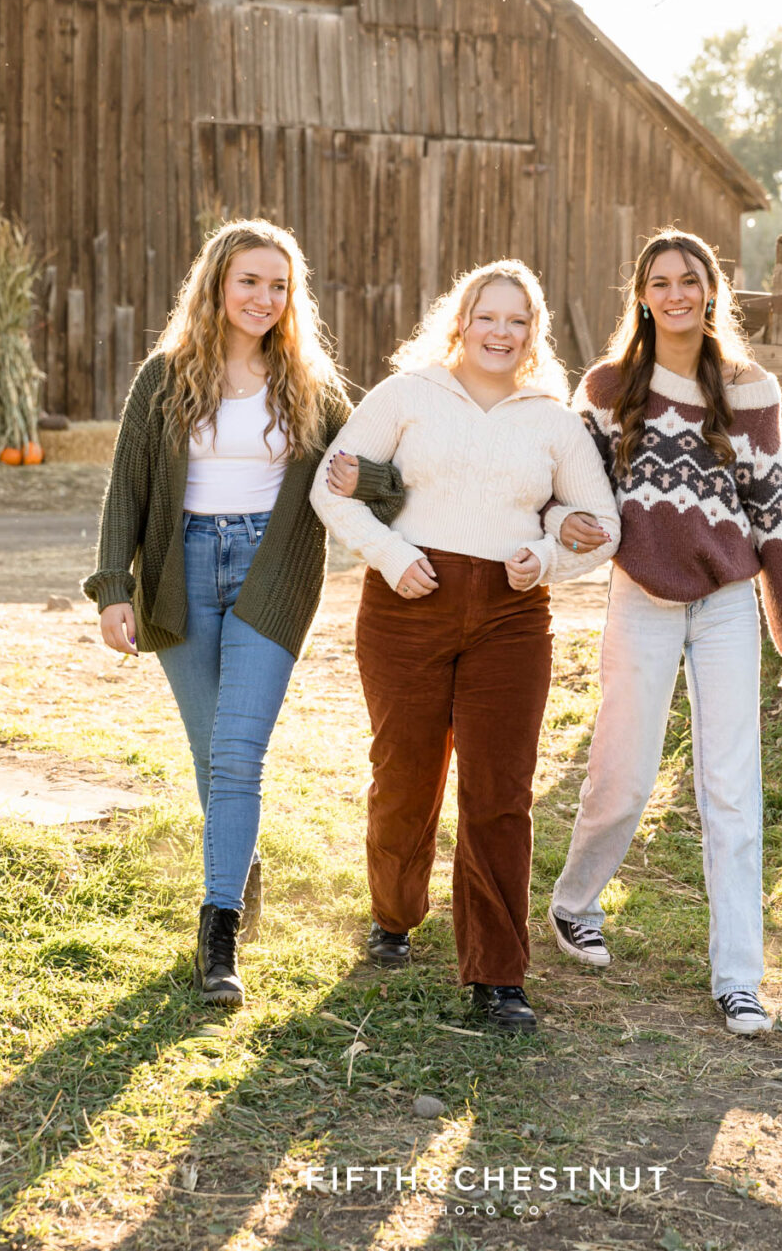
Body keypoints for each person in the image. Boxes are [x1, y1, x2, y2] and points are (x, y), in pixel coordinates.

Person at [84, 221, 402, 1010]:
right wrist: (111, 588)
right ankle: (240, 867)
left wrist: (373, 479)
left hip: (273, 570)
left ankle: (217, 930)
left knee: (236, 754)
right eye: (249, 282)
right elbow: (126, 489)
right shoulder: (165, 377)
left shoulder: (312, 387)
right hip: (178, 572)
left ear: (293, 298)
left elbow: (381, 479)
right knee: (209, 753)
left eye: (279, 286)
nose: (264, 298)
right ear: (217, 285)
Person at [311, 260, 620, 1032]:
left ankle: (497, 974)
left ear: (533, 334)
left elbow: (603, 524)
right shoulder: (406, 396)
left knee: (499, 792)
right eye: (490, 316)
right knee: (406, 772)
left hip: (512, 616)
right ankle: (395, 912)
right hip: (407, 602)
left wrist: (548, 554)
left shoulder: (552, 418)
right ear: (461, 319)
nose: (502, 332)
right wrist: (389, 554)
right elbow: (331, 485)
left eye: (519, 321)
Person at [545, 228, 782, 1035]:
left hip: (729, 602)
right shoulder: (605, 389)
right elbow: (569, 491)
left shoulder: (749, 389)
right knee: (623, 775)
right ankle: (573, 903)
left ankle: (739, 976)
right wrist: (571, 530)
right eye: (660, 281)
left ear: (711, 292)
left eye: (690, 280)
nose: (676, 294)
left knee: (731, 789)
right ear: (641, 295)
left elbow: (776, 517)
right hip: (641, 596)